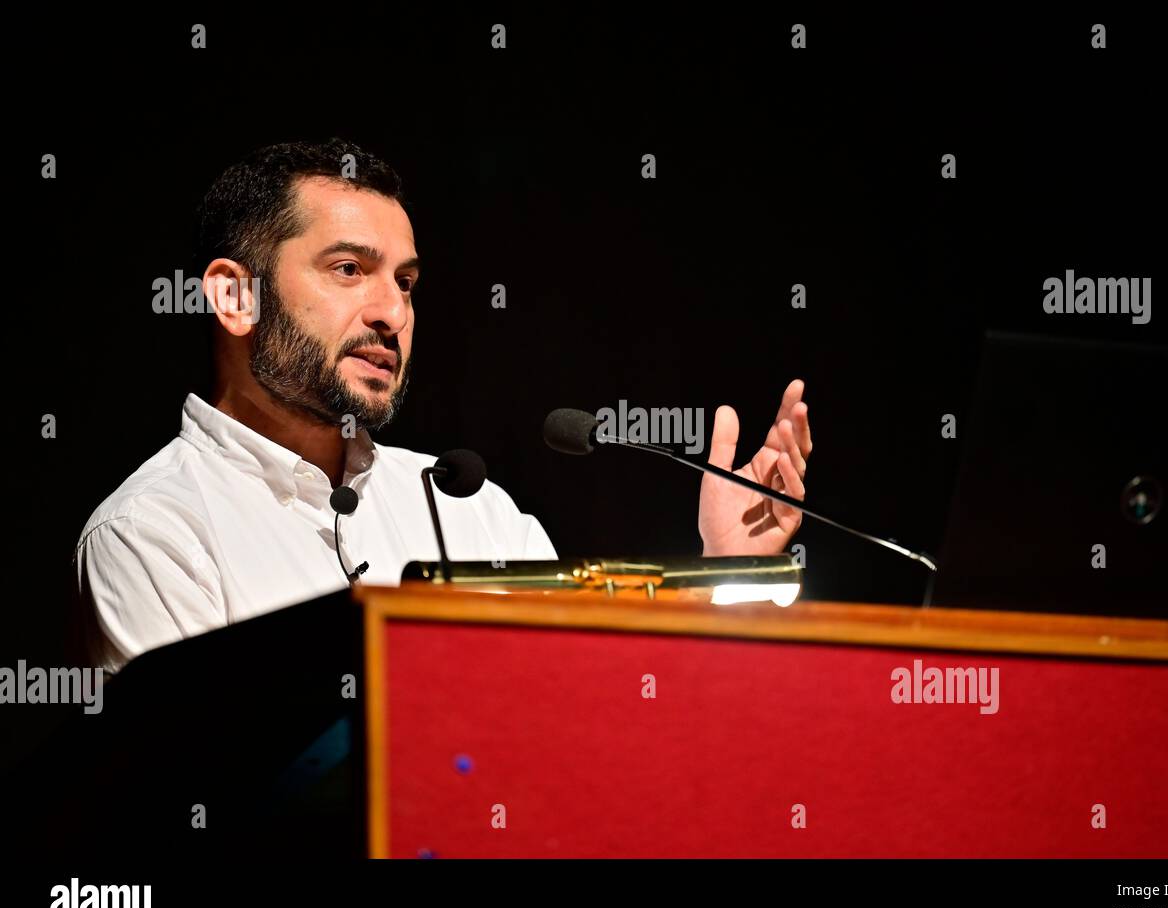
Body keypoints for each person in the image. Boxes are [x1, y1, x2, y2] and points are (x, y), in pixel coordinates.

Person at [74, 140, 813, 673]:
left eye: (405, 282)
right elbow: (205, 799)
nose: (391, 311)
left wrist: (726, 569)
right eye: (349, 269)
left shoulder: (470, 507)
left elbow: (611, 709)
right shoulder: (153, 534)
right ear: (235, 296)